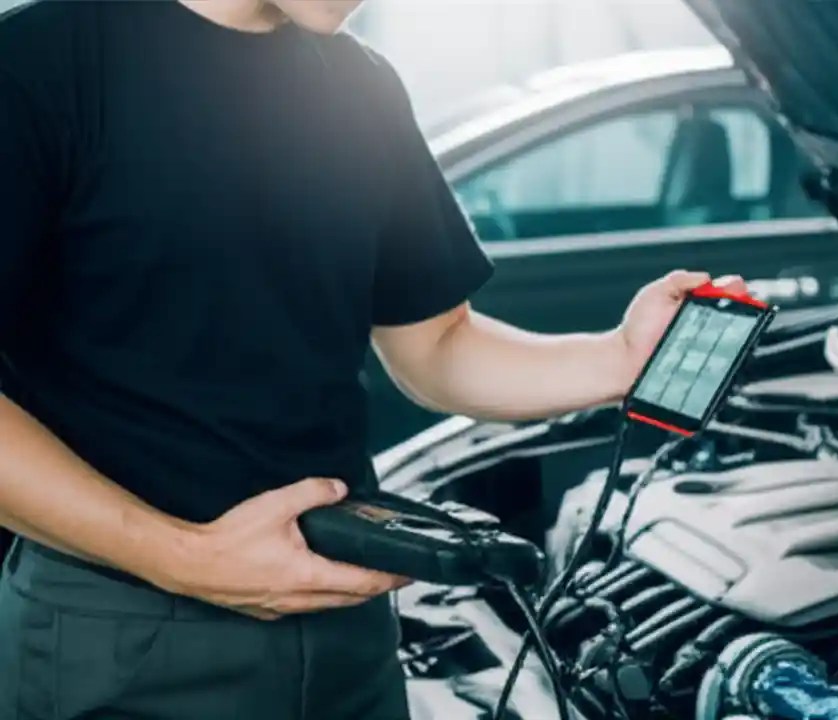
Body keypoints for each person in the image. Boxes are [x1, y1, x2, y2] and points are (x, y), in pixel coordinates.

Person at [0, 1, 747, 718]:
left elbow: (437, 348)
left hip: (349, 624)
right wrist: (183, 558)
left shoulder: (359, 86)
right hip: (126, 627)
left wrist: (618, 359)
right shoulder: (36, 64)